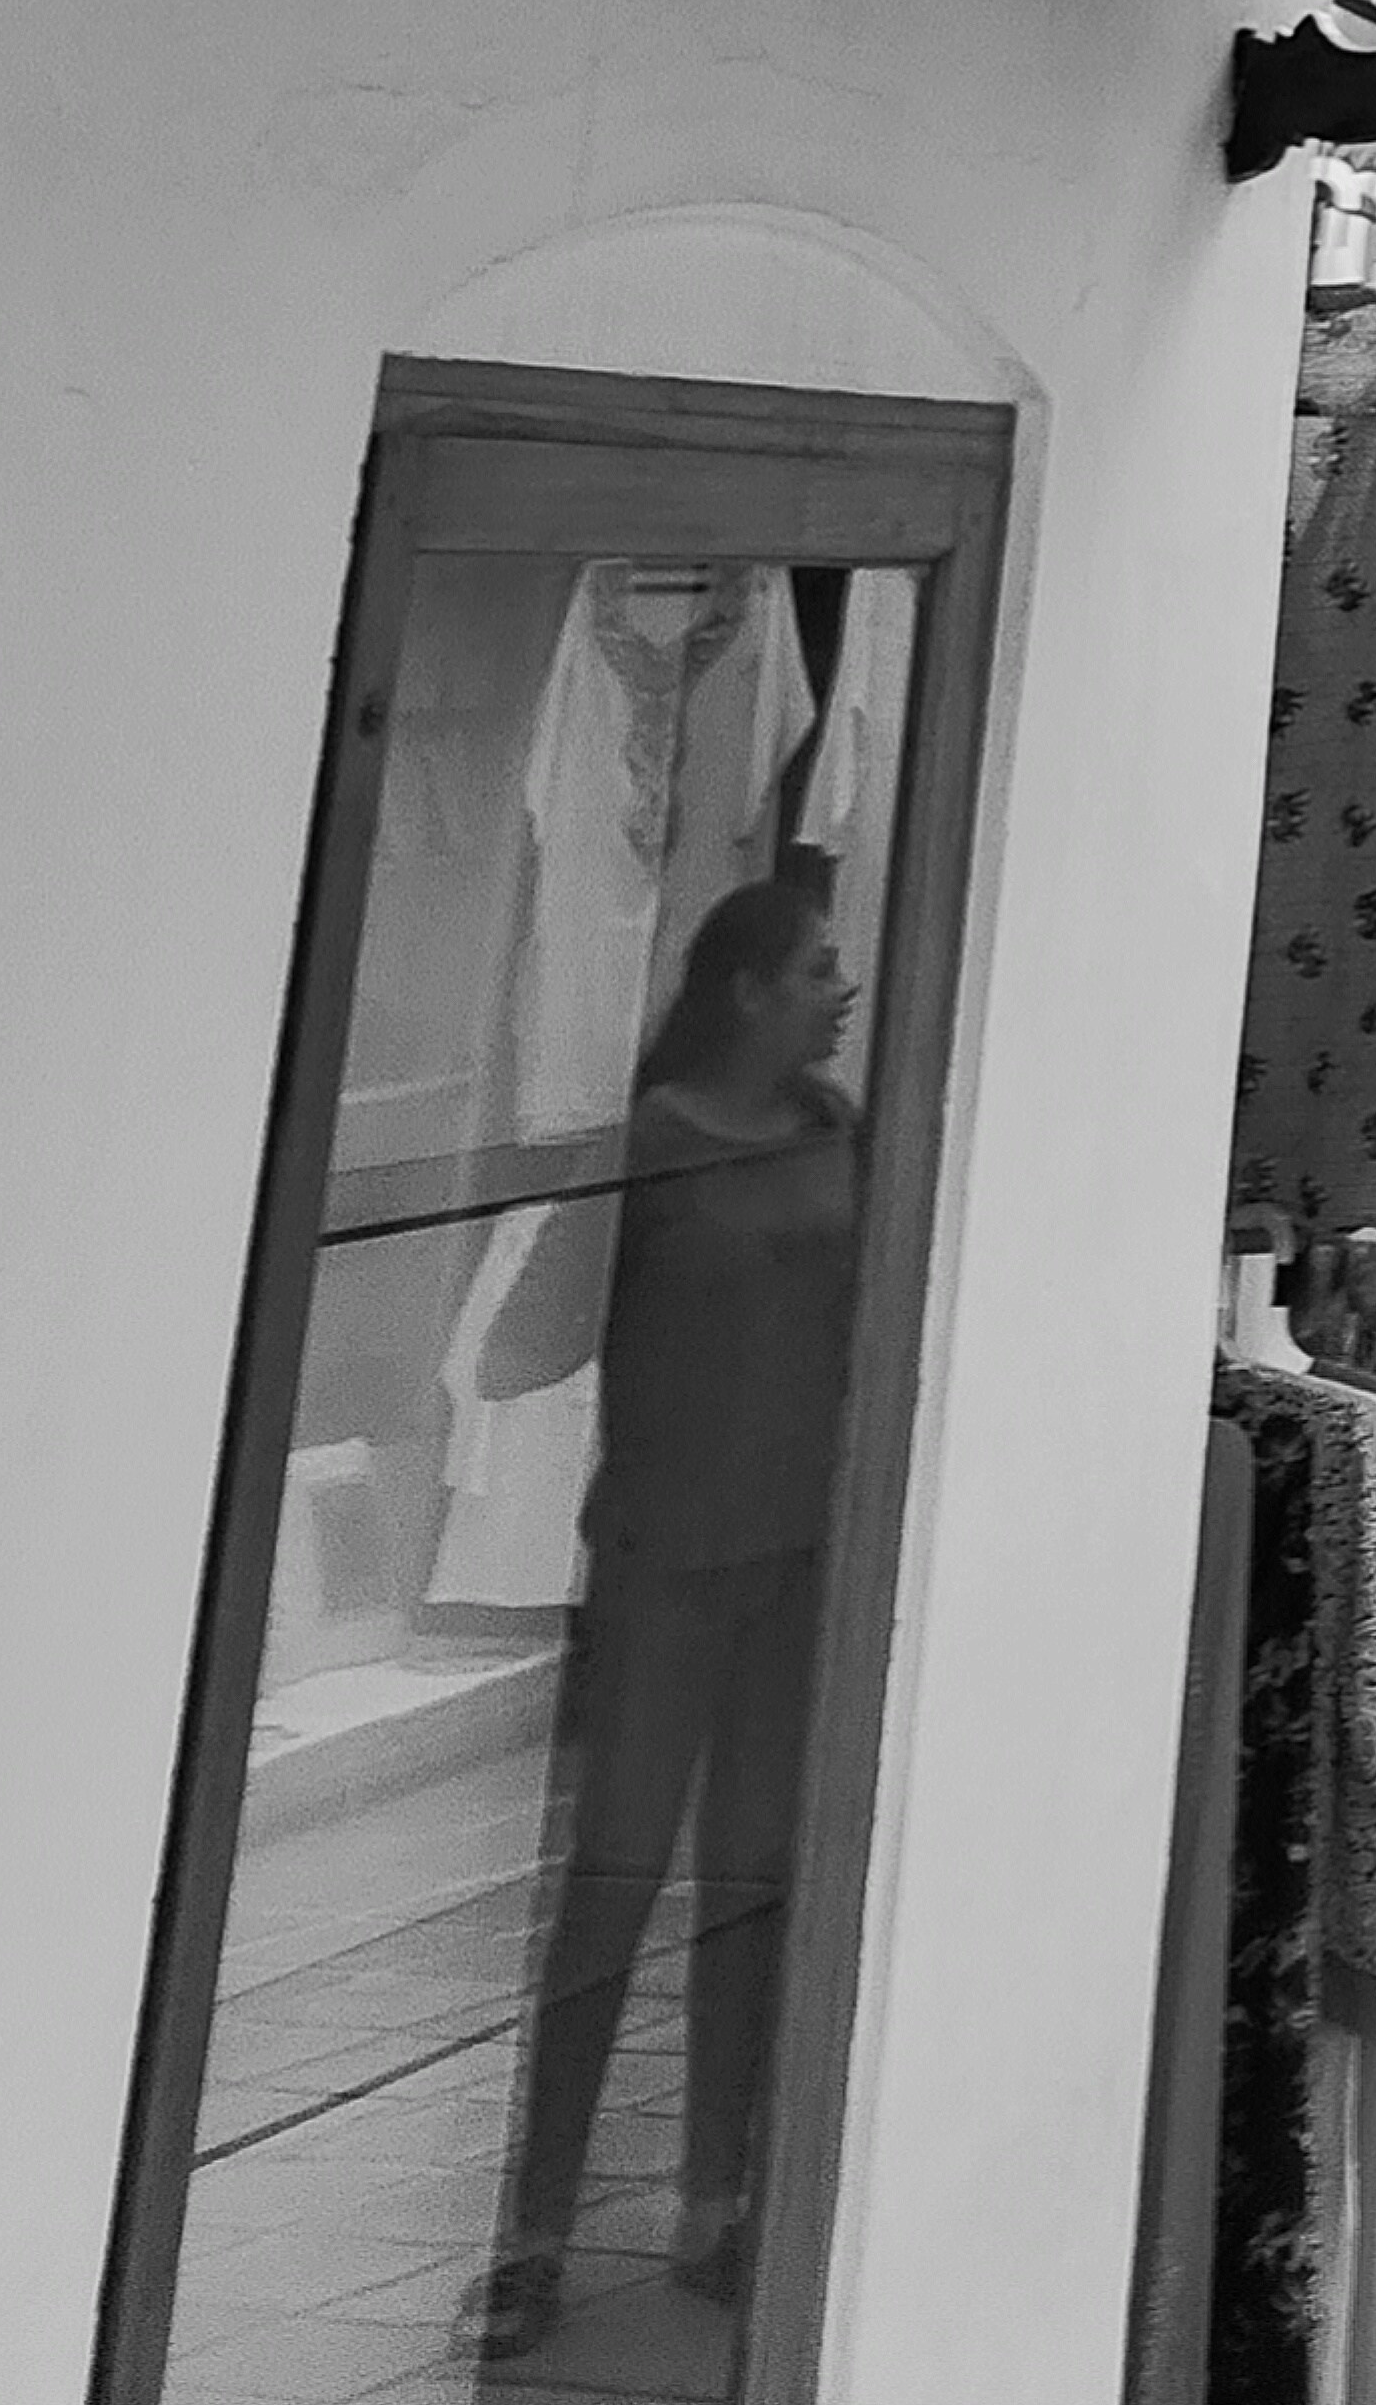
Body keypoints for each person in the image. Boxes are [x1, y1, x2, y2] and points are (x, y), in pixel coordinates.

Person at [478, 880, 863, 2361]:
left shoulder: (837, 1132)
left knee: (750, 1895)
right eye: (819, 971)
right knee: (612, 1892)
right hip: (666, 1565)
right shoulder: (649, 1152)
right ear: (750, 991)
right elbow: (525, 1347)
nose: (841, 990)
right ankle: (532, 2232)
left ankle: (718, 2204)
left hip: (796, 1567)